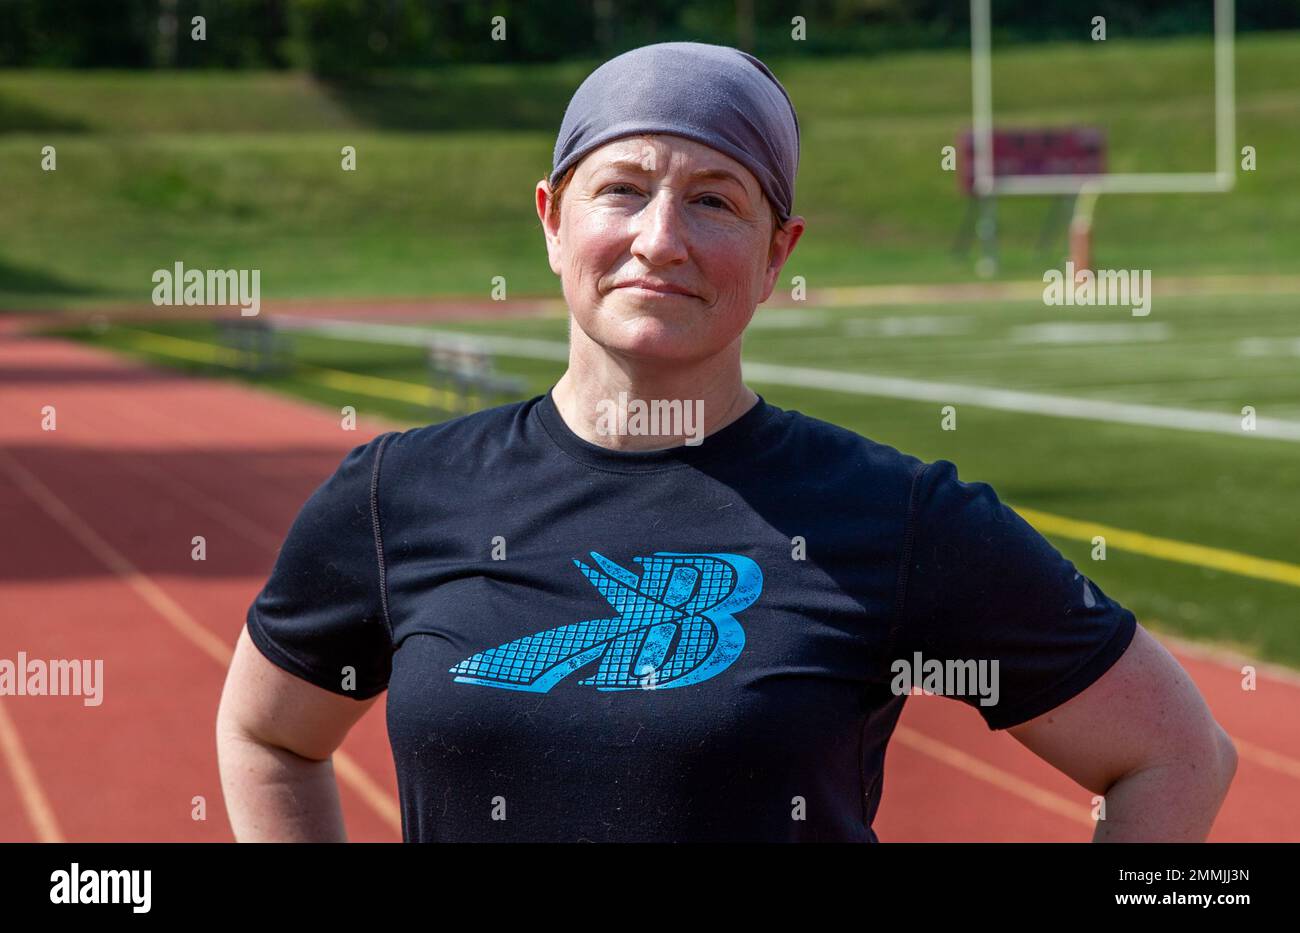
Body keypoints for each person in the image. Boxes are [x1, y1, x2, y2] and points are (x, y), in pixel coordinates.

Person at [215, 41, 1237, 842]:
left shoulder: (893, 516)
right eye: (622, 188)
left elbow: (1176, 756)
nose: (661, 238)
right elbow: (267, 734)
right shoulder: (400, 494)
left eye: (714, 200)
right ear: (551, 218)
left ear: (775, 253)